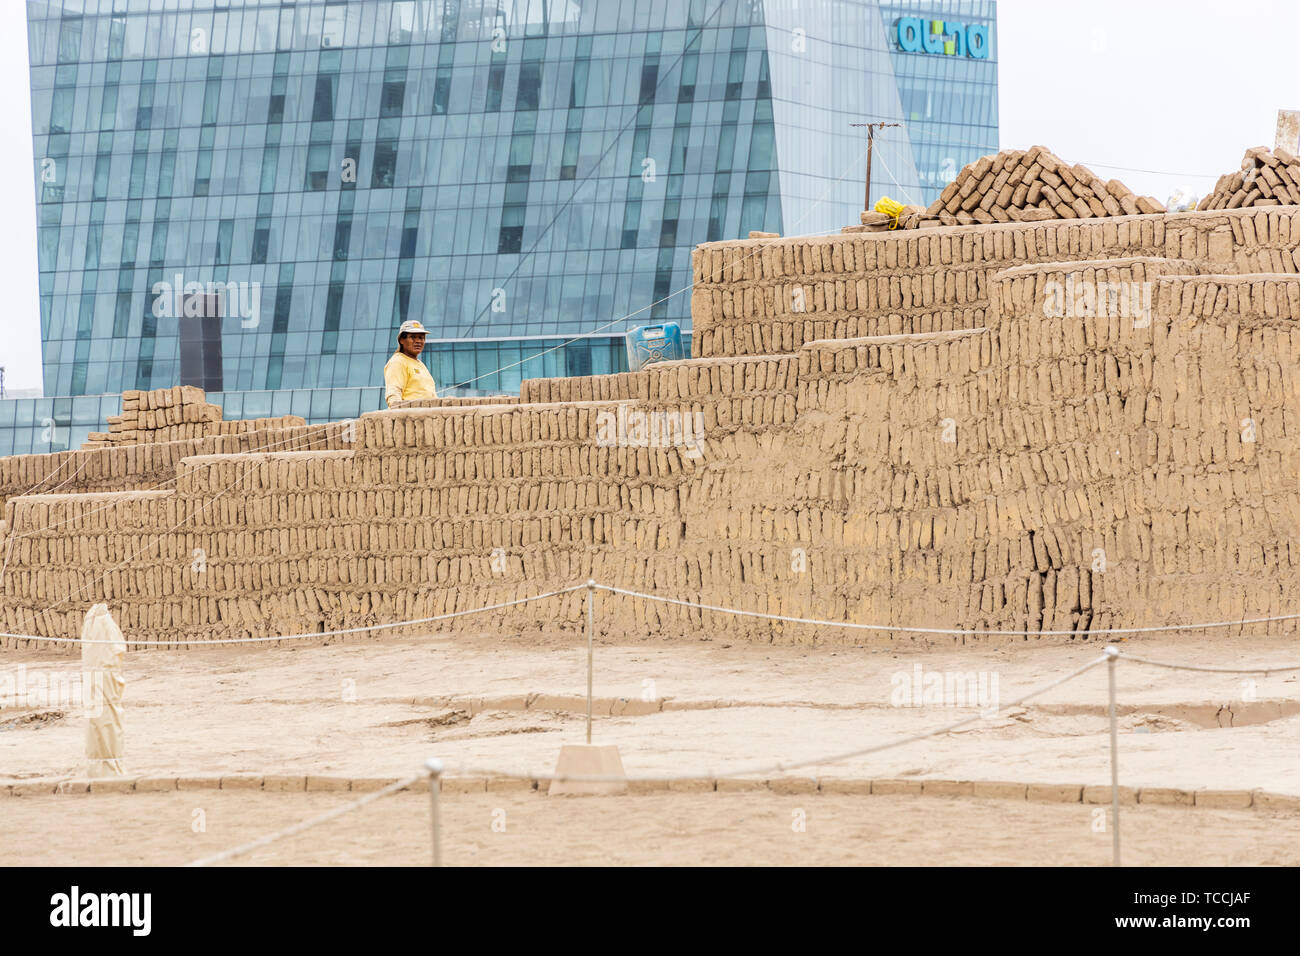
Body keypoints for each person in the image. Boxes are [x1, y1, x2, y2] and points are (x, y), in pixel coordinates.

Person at [384, 319, 438, 408]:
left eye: (421, 338)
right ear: (401, 340)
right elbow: (393, 394)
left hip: (427, 418)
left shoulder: (420, 364)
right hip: (410, 418)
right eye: (412, 337)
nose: (418, 341)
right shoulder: (398, 362)